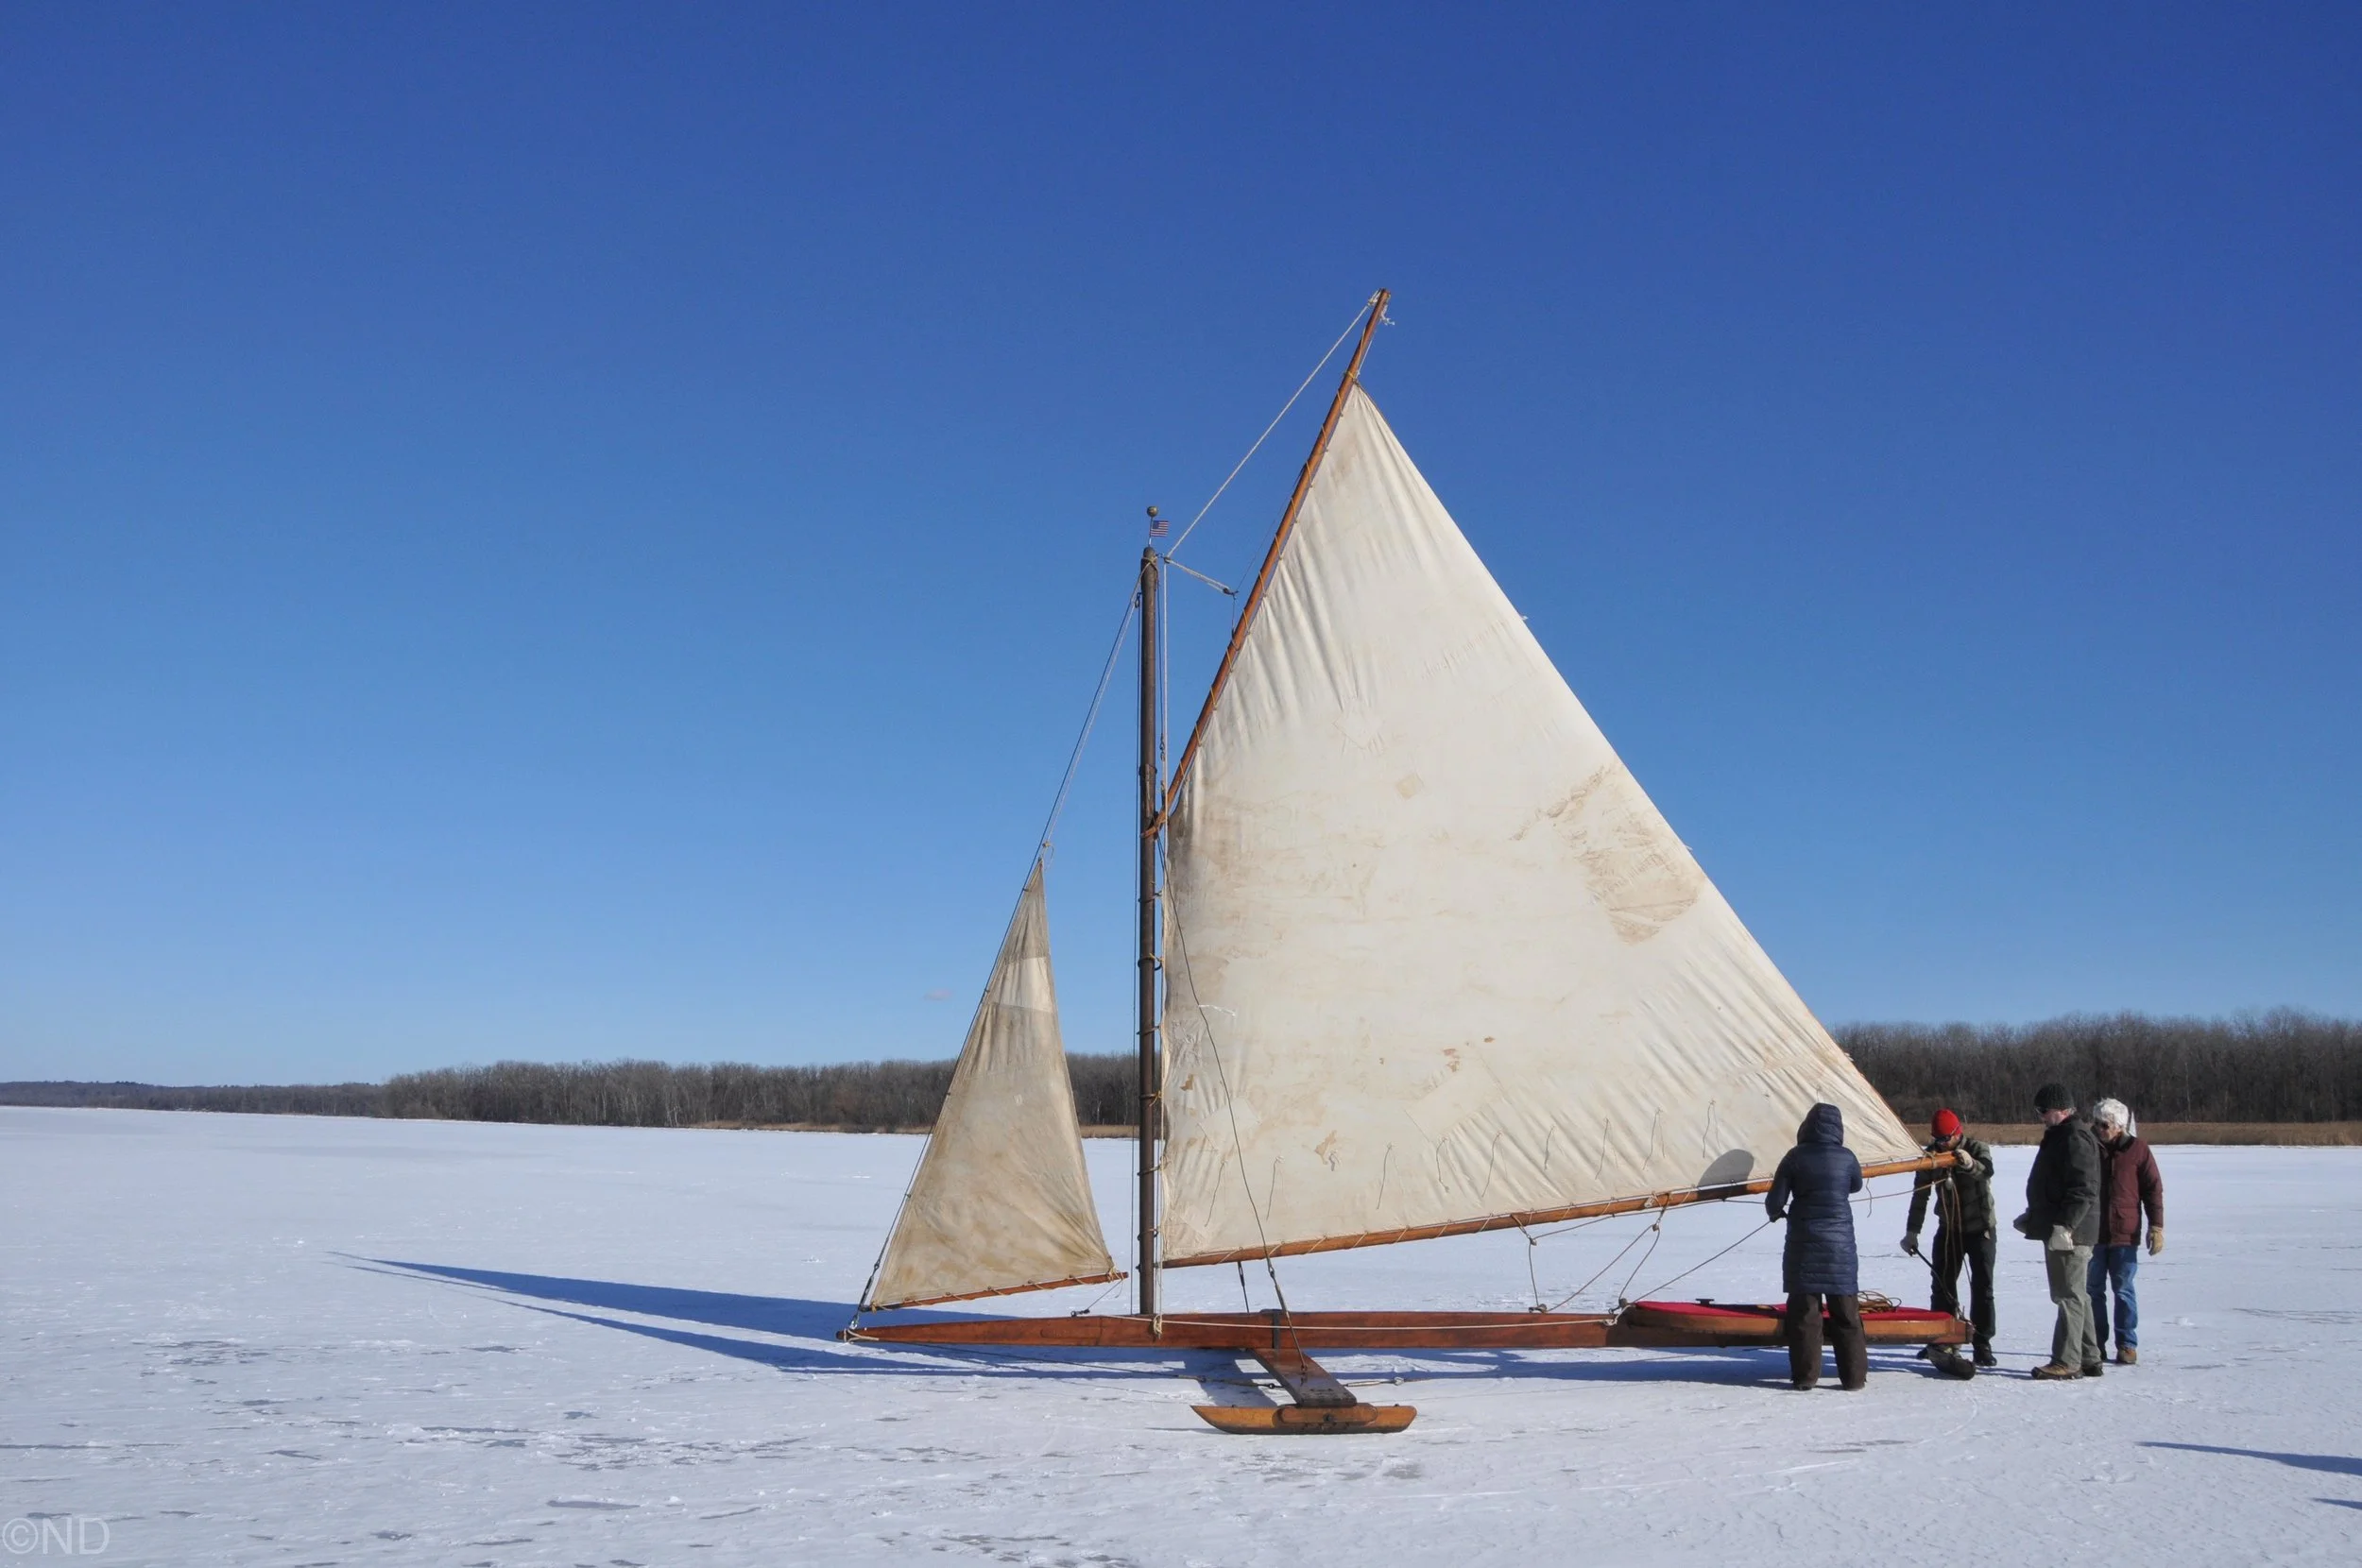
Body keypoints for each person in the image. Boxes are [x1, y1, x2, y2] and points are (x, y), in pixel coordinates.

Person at [1767, 1102, 1868, 1391]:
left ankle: (1805, 1377)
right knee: (1847, 1315)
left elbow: (1776, 1200)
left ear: (1806, 1127)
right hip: (1841, 1249)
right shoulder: (1847, 1157)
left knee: (1805, 1317)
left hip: (1804, 1245)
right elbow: (1856, 1186)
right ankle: (1854, 1378)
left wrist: (1775, 1213)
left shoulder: (1795, 1157)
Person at [2016, 1082, 2102, 1380]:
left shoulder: (2074, 1138)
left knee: (2068, 1296)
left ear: (2062, 1110)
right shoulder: (2060, 1136)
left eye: (2044, 1111)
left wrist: (2065, 1227)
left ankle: (2067, 1361)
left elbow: (2083, 1189)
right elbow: (2053, 1186)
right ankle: (2090, 1356)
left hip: (2071, 1233)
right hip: (2060, 1226)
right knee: (2078, 1294)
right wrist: (2034, 1216)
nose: (2040, 1116)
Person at [1903, 1108, 1998, 1367]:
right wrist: (1912, 1231)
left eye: (1946, 1138)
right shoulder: (1931, 1156)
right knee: (1942, 1285)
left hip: (1981, 1230)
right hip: (1949, 1229)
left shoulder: (1978, 1148)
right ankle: (1941, 1338)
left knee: (1982, 1287)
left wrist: (1968, 1164)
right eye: (1937, 1138)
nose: (1941, 1143)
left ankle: (1982, 1343)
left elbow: (1986, 1170)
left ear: (1958, 1133)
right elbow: (1920, 1196)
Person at [2088, 1097, 2165, 1365]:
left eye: (2104, 1124)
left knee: (2123, 1289)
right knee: (2092, 1291)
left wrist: (2156, 1226)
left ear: (2119, 1126)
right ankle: (2095, 1344)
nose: (2099, 1128)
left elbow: (2153, 1189)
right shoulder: (2088, 1147)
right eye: (2096, 1123)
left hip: (2125, 1233)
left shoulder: (2138, 1150)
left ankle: (2127, 1343)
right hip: (2092, 1233)